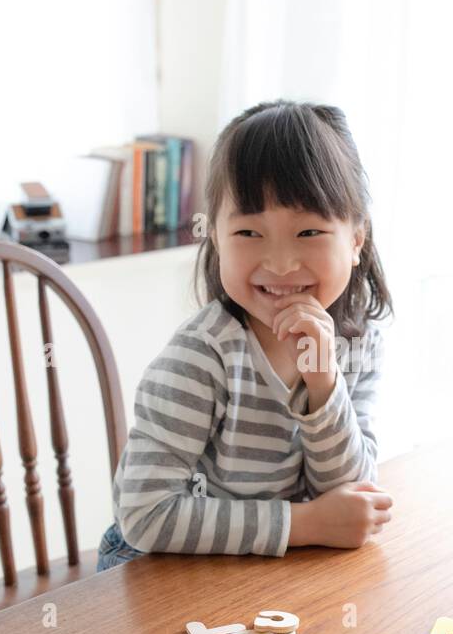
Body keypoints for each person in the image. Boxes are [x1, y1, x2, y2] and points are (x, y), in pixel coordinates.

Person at [96, 99, 394, 570]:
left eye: (309, 232)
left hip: (269, 567)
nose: (279, 264)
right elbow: (144, 515)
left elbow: (349, 498)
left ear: (356, 240)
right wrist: (307, 524)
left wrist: (324, 387)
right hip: (169, 567)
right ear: (215, 236)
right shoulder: (203, 355)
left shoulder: (359, 341)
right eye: (249, 234)